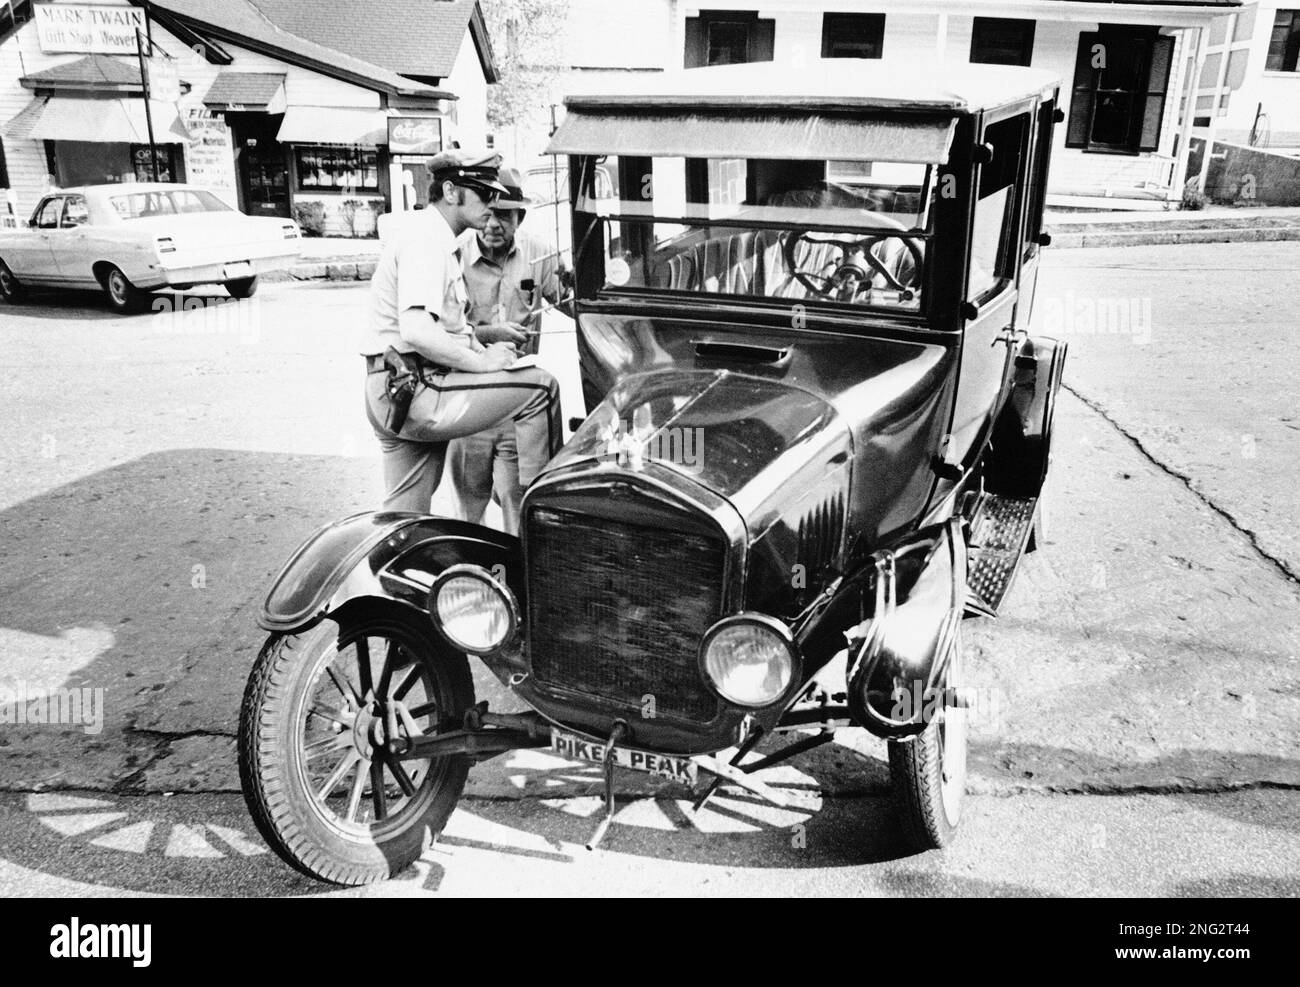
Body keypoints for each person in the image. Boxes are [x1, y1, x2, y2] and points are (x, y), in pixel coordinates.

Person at [361, 150, 562, 523]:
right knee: (541, 389)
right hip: (416, 385)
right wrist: (483, 360)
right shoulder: (426, 241)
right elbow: (417, 329)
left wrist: (478, 344)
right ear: (451, 191)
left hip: (394, 390)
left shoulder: (436, 240)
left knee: (403, 519)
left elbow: (450, 328)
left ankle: (390, 575)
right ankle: (547, 515)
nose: (491, 205)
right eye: (484, 195)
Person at [441, 166, 569, 534]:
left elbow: (574, 301)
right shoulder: (454, 258)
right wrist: (487, 334)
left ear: (520, 217)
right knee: (468, 507)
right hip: (468, 405)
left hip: (519, 408)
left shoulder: (539, 254)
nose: (494, 224)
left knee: (518, 502)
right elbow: (440, 333)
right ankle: (473, 584)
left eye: (505, 214)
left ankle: (517, 582)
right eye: (489, 212)